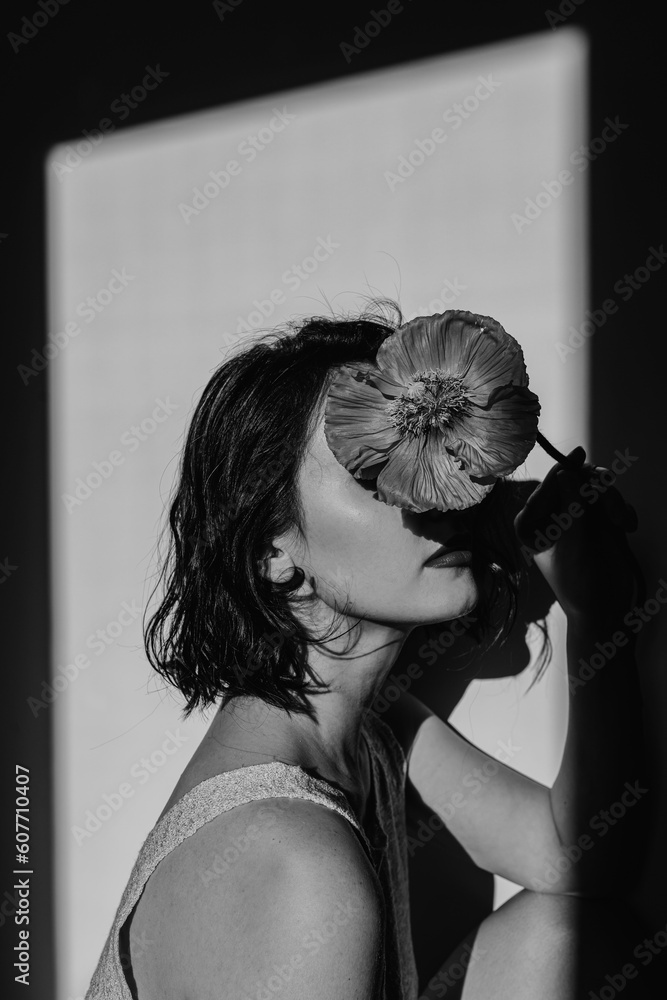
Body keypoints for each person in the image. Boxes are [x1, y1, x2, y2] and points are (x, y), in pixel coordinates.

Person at [85, 301, 660, 1000]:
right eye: (374, 472)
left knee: (562, 944)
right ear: (272, 550)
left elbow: (575, 856)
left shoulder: (369, 732)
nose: (433, 496)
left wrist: (595, 611)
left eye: (439, 452)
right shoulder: (290, 861)